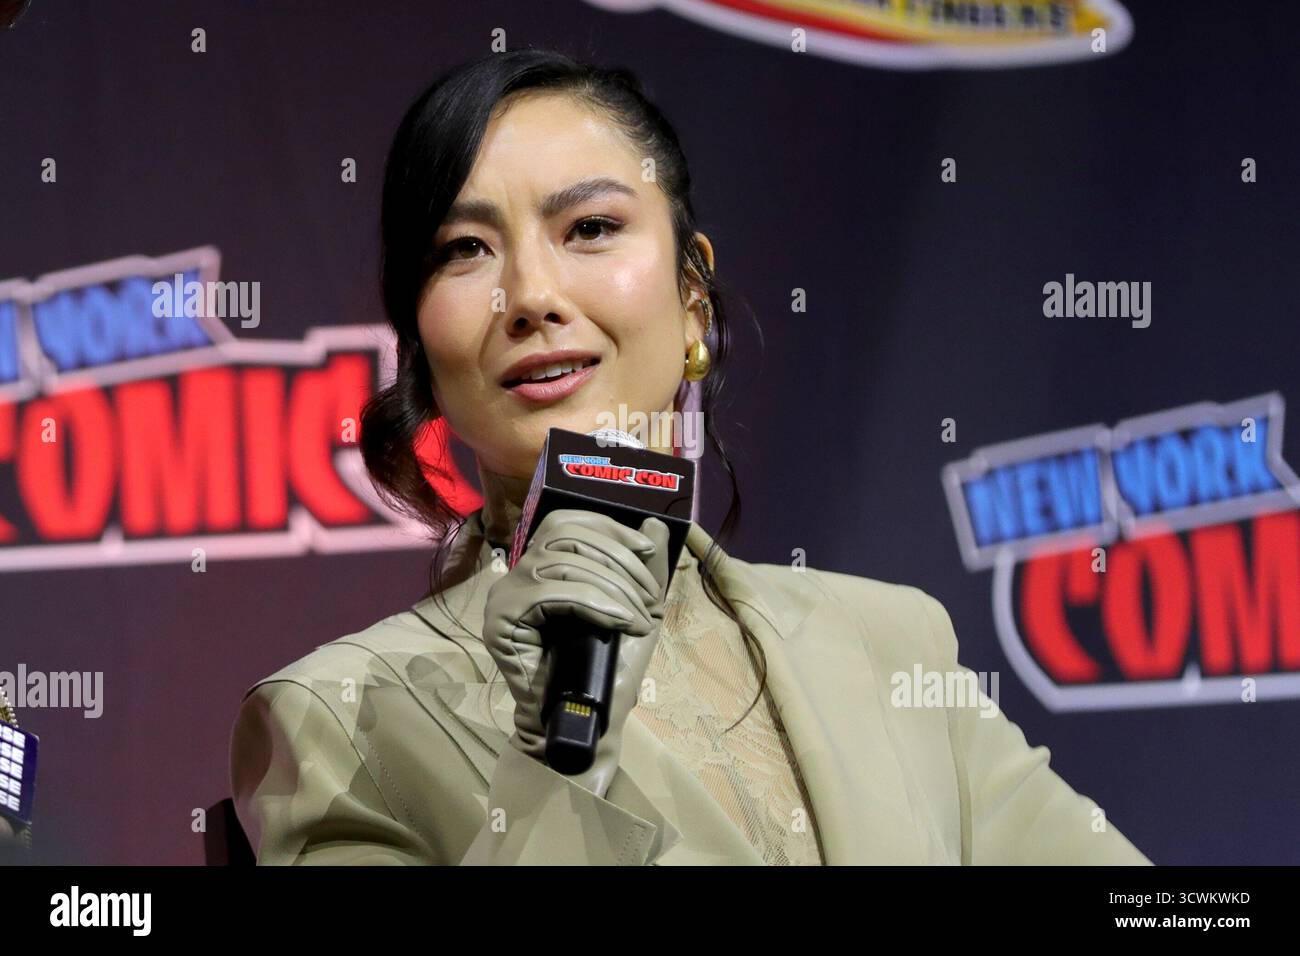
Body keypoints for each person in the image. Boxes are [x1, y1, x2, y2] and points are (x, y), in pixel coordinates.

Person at [228, 48, 1152, 866]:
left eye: (589, 227)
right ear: (420, 346)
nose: (532, 294)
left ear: (693, 298)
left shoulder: (888, 639)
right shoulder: (337, 718)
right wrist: (561, 747)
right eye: (465, 249)